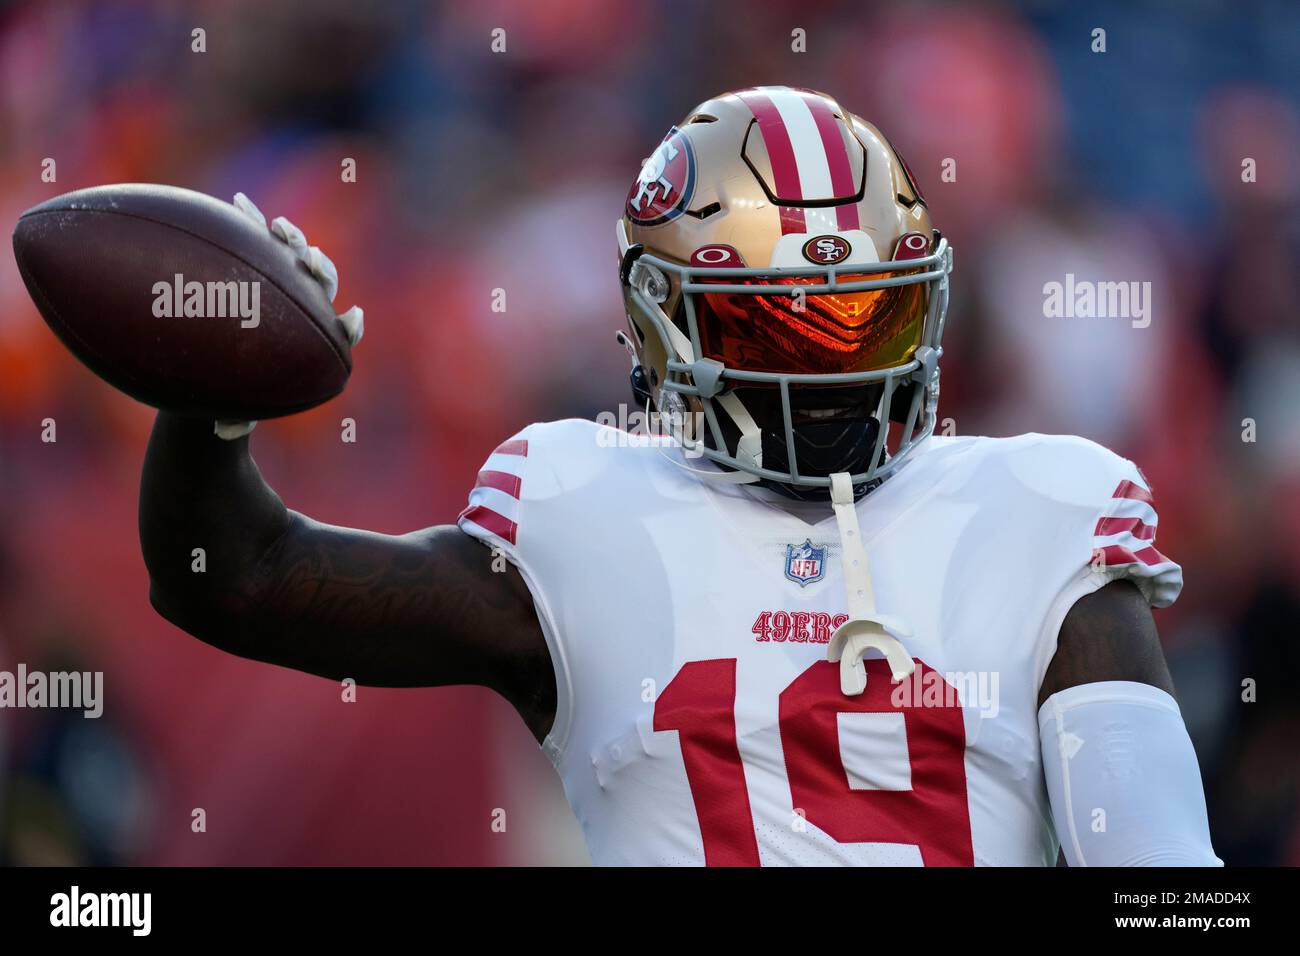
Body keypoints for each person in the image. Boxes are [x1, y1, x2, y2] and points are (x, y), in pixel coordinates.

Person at [138, 87, 1219, 866]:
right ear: (658, 323)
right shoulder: (583, 513)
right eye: (774, 324)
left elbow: (1160, 876)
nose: (836, 370)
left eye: (867, 316)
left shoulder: (1041, 513)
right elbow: (232, 573)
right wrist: (209, 389)